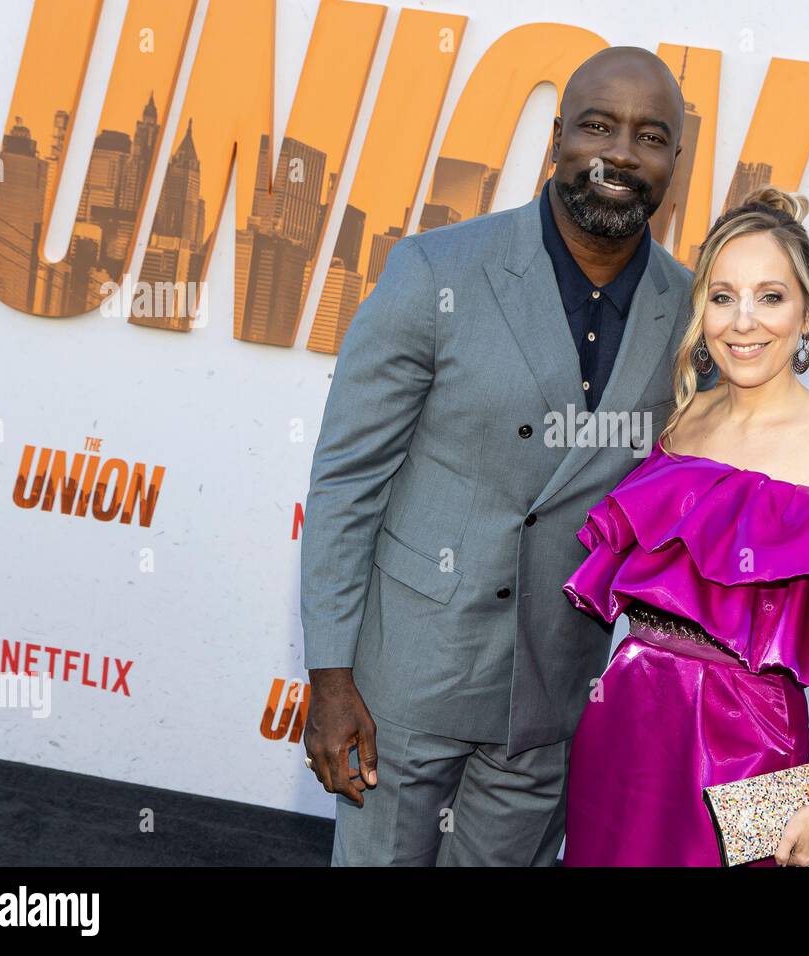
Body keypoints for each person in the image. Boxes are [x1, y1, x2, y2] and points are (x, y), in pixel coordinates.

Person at [298, 46, 717, 865]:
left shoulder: (693, 313)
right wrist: (330, 677)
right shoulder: (437, 270)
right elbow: (348, 482)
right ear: (557, 139)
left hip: (553, 696)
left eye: (650, 136)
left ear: (677, 162)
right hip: (407, 680)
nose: (621, 153)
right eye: (597, 126)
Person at [561, 186, 809, 867]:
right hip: (623, 719)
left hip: (753, 743)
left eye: (770, 297)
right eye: (722, 296)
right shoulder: (684, 422)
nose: (743, 322)